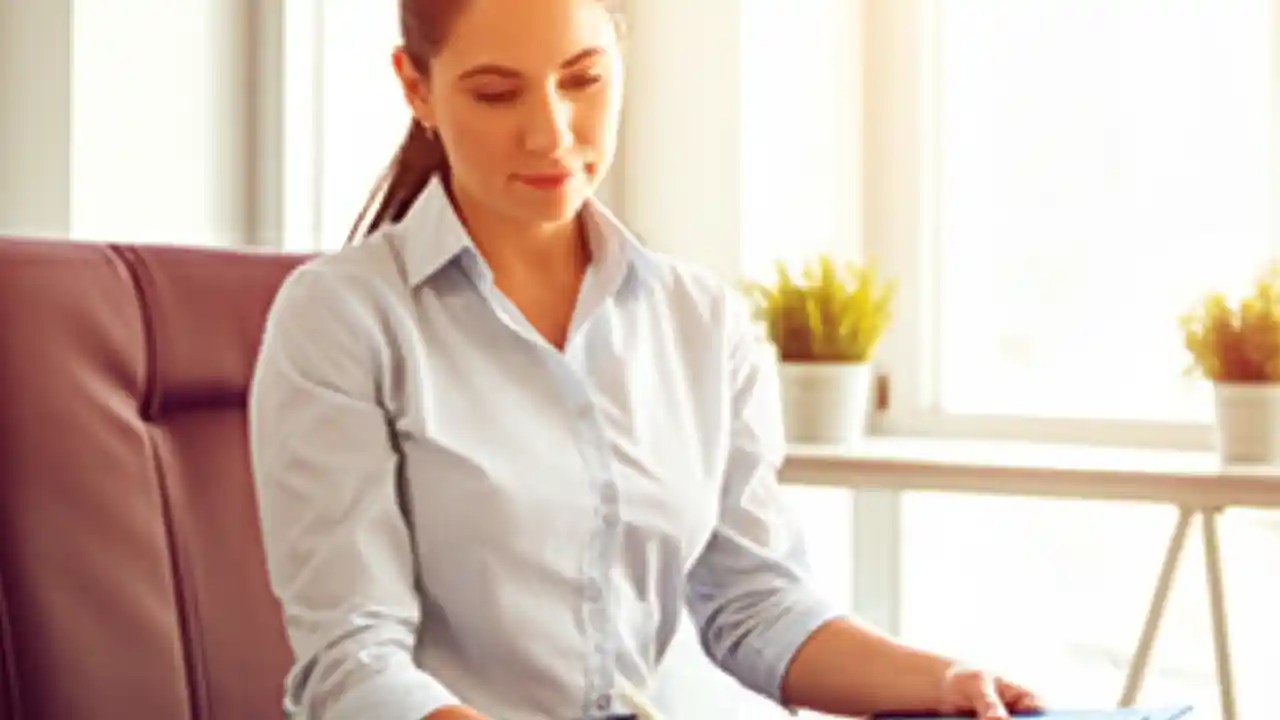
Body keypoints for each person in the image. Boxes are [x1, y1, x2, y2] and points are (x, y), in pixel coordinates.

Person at [248, 1, 1045, 718]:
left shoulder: (700, 322)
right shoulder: (343, 318)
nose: (552, 132)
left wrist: (941, 683)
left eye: (583, 79)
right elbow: (353, 665)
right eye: (497, 93)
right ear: (416, 89)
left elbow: (755, 605)